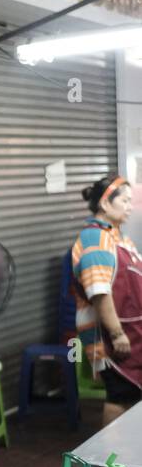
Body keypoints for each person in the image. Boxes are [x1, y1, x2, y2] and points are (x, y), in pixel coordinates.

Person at [72, 174, 141, 425]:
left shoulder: (117, 237)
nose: (129, 206)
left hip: (133, 330)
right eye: (124, 200)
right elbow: (99, 292)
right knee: (120, 395)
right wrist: (116, 333)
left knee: (132, 395)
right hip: (112, 336)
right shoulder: (94, 239)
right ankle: (110, 458)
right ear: (105, 204)